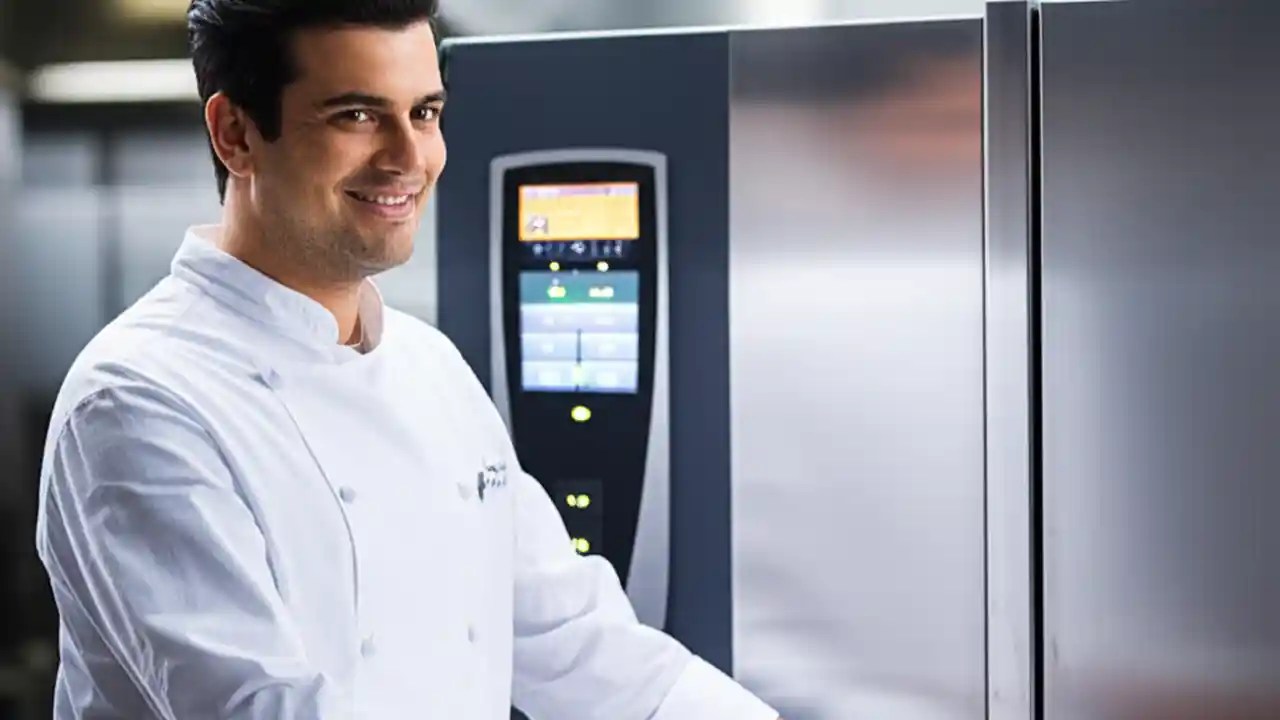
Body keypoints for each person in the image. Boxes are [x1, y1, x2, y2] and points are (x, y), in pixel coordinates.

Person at [33, 1, 782, 718]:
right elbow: (263, 707)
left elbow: (582, 648)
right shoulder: (139, 399)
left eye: (424, 113)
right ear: (235, 133)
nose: (408, 158)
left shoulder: (430, 367)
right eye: (356, 115)